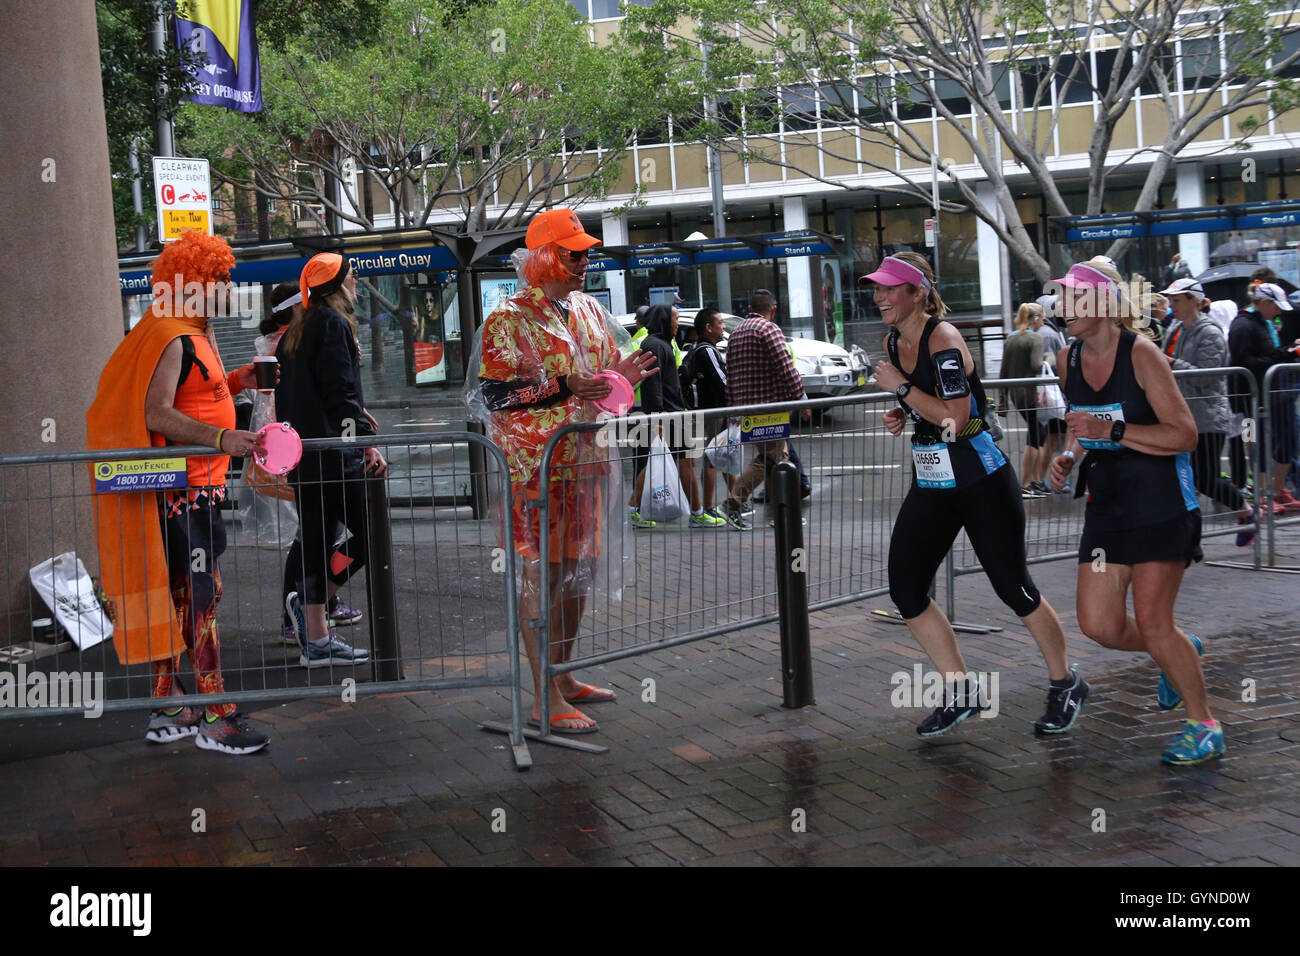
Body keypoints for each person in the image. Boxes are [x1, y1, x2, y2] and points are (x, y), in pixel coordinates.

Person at [868, 253, 1087, 737]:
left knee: (1013, 586)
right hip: (932, 481)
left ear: (917, 292)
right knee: (905, 588)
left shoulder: (941, 338)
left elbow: (956, 416)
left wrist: (901, 390)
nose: (880, 297)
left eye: (890, 288)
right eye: (876, 288)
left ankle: (1065, 682)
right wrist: (903, 415)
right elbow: (929, 411)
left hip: (980, 479)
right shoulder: (892, 338)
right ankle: (962, 690)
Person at [466, 207, 658, 734]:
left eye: (586, 253)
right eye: (574, 253)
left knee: (579, 571)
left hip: (587, 461)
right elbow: (490, 395)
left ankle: (564, 673)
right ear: (546, 257)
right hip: (534, 471)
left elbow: (600, 380)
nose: (584, 262)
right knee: (540, 575)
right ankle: (542, 695)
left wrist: (617, 380)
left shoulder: (589, 310)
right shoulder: (509, 318)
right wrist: (565, 386)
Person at [87, 231, 269, 755]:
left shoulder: (190, 332)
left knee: (184, 599)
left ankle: (168, 709)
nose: (228, 290)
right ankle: (215, 715)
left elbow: (201, 395)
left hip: (194, 492)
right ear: (193, 285)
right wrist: (222, 438)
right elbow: (157, 414)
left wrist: (236, 381)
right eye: (219, 281)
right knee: (201, 601)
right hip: (184, 493)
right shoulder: (172, 336)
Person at [1047, 259, 1222, 766]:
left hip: (1161, 505)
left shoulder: (1142, 354)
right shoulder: (1067, 361)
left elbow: (1184, 435)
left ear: (1103, 304)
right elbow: (1085, 427)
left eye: (1076, 298)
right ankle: (1178, 649)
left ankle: (1204, 724)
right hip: (1108, 510)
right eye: (1062, 298)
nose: (1064, 308)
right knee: (1098, 624)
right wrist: (1067, 456)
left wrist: (1115, 435)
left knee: (1151, 621)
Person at [276, 253, 384, 668]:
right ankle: (312, 608)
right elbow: (340, 392)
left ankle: (316, 637)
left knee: (318, 543)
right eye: (352, 276)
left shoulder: (297, 330)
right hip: (336, 457)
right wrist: (365, 441)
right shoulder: (335, 325)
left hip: (308, 455)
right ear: (337, 284)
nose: (357, 282)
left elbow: (297, 398)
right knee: (371, 535)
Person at [1161, 277, 1251, 542]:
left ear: (1194, 301)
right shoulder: (1176, 328)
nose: (1171, 305)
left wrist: (1171, 363)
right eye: (1170, 300)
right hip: (1181, 415)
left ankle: (1246, 511)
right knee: (1181, 476)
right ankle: (1185, 529)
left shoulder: (1210, 332)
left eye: (1176, 300)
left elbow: (1208, 378)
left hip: (1207, 418)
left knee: (1205, 478)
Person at [718, 290, 810, 531]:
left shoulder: (736, 333)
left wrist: (733, 411)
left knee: (772, 460)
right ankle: (736, 503)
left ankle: (777, 512)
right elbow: (785, 367)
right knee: (776, 460)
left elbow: (731, 376)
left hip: (747, 410)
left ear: (750, 307)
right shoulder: (769, 329)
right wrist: (801, 398)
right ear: (773, 309)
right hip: (771, 409)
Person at [627, 304, 721, 527]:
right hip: (666, 417)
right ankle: (697, 514)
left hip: (672, 414)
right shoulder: (655, 346)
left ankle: (634, 509)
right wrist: (657, 417)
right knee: (685, 461)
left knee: (663, 461)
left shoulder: (661, 344)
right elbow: (653, 384)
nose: (677, 323)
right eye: (675, 318)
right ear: (663, 319)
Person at [1228, 281, 1300, 516]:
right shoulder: (1243, 325)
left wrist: (1287, 352)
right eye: (1276, 307)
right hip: (1251, 396)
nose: (1278, 313)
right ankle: (1261, 492)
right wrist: (1286, 353)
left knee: (1286, 437)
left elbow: (1265, 355)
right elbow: (1245, 362)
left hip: (1273, 392)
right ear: (1265, 302)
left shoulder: (1262, 322)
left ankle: (1275, 489)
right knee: (1255, 443)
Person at [682, 306, 736, 518]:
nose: (723, 327)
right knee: (713, 459)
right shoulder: (706, 351)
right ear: (708, 327)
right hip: (712, 411)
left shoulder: (700, 348)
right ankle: (708, 508)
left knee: (724, 456)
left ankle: (736, 500)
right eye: (720, 323)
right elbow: (723, 383)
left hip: (712, 411)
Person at [1000, 303, 1047, 499]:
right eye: (1043, 317)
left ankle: (1034, 482)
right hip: (1030, 393)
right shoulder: (1035, 338)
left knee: (1036, 433)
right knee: (1037, 434)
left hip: (1016, 395)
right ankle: (1028, 483)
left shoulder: (1011, 339)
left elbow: (1003, 372)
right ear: (1035, 318)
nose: (1043, 321)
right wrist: (1049, 359)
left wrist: (1002, 401)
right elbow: (1037, 365)